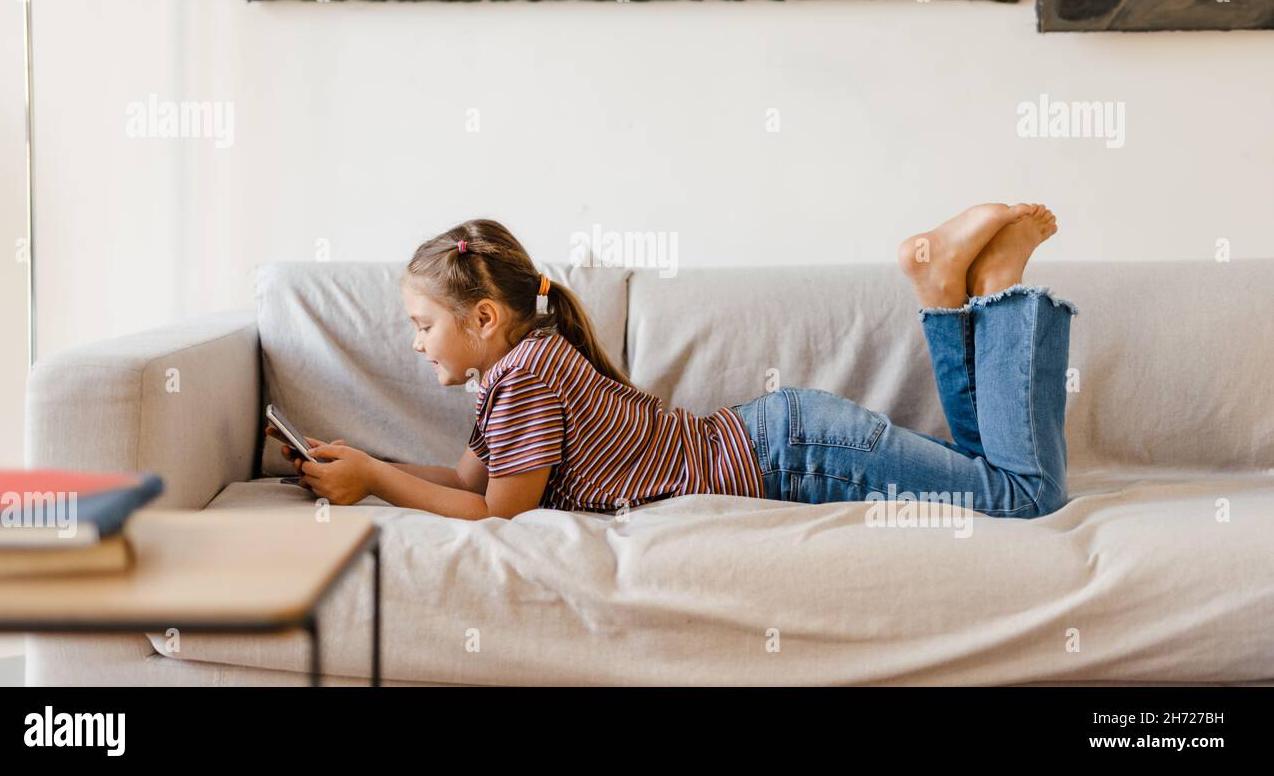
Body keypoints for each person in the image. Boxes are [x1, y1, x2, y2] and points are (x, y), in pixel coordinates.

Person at [266, 203, 1076, 520]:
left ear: (484, 318)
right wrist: (367, 460)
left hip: (798, 457)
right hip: (793, 439)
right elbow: (470, 480)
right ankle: (957, 290)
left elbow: (498, 515)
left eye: (420, 324)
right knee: (988, 475)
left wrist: (373, 481)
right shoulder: (518, 371)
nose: (413, 343)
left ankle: (981, 295)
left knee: (1024, 499)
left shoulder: (528, 377)